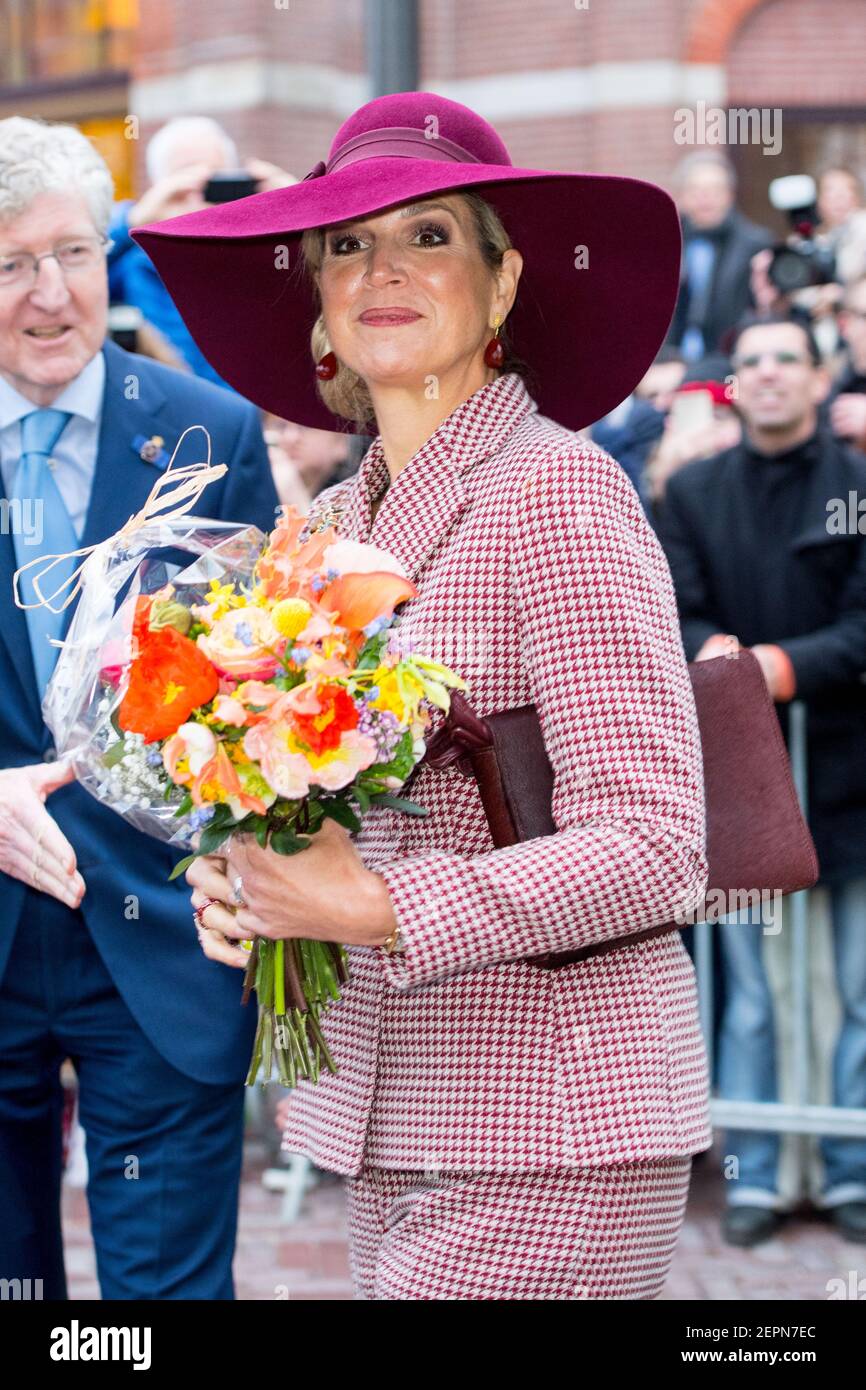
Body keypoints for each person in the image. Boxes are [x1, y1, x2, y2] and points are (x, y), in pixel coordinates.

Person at [135, 89, 712, 1301]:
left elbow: (656, 846)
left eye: (429, 234)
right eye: (347, 243)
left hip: (555, 1127)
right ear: (319, 306)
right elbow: (302, 809)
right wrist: (245, 876)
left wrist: (376, 907)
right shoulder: (320, 536)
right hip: (386, 1122)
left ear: (501, 287)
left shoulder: (558, 493)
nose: (381, 268)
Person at [0, 116, 280, 1299]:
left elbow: (268, 680)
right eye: (8, 263)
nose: (47, 293)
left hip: (164, 944)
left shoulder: (210, 432)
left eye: (70, 252)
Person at [655, 313, 866, 1247]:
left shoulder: (861, 486)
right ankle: (758, 1177)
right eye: (751, 362)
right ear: (731, 384)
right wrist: (717, 657)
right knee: (750, 990)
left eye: (788, 358)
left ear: (821, 380)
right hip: (739, 777)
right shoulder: (692, 492)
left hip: (851, 774)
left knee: (857, 988)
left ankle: (852, 1171)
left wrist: (774, 668)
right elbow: (681, 606)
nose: (769, 375)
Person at [108, 116, 295, 384]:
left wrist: (301, 207)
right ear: (160, 188)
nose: (200, 197)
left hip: (255, 419)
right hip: (169, 416)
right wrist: (134, 219)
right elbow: (75, 265)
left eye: (214, 183)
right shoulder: (134, 264)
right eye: (185, 182)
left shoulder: (268, 256)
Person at [666, 151, 773, 362]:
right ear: (681, 196)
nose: (705, 199)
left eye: (714, 190)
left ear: (730, 195)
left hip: (731, 357)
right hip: (672, 357)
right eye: (696, 191)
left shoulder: (755, 244)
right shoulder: (664, 243)